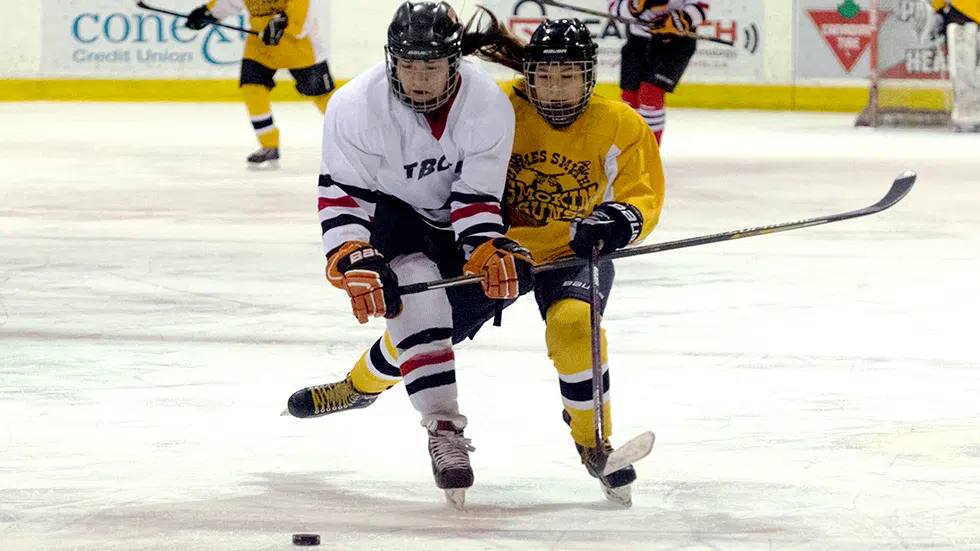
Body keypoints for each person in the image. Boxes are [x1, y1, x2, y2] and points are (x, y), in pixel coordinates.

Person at [287, 16, 666, 506]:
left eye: (568, 75)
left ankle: (595, 445)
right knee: (424, 333)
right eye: (545, 76)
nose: (555, 88)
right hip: (500, 255)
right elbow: (468, 189)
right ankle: (357, 387)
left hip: (572, 255)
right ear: (526, 75)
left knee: (576, 329)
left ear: (590, 75)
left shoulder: (621, 124)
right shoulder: (500, 106)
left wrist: (620, 220)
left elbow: (644, 195)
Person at [314, 1, 535, 504]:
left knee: (436, 323)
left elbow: (478, 195)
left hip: (455, 218)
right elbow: (344, 195)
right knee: (414, 288)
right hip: (394, 211)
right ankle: (444, 430)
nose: (417, 79)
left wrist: (483, 247)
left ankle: (359, 387)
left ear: (454, 62)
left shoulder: (487, 104)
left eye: (431, 66)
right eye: (407, 64)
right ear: (391, 58)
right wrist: (351, 251)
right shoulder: (354, 106)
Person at [185, 0, 335, 168]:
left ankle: (358, 134)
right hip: (260, 45)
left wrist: (282, 24)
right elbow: (229, 2)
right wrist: (207, 13)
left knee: (323, 97)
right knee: (252, 88)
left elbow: (301, 15)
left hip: (299, 46)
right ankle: (268, 144)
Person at [608, 0, 710, 144]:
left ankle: (650, 154)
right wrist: (634, 6)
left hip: (676, 41)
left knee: (650, 93)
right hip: (637, 40)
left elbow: (701, 6)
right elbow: (614, 8)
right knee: (630, 97)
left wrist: (680, 19)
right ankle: (630, 152)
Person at [931, 0, 980, 131]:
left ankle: (967, 117)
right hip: (963, 18)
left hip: (962, 18)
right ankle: (967, 117)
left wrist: (938, 9)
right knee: (965, 73)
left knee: (963, 73)